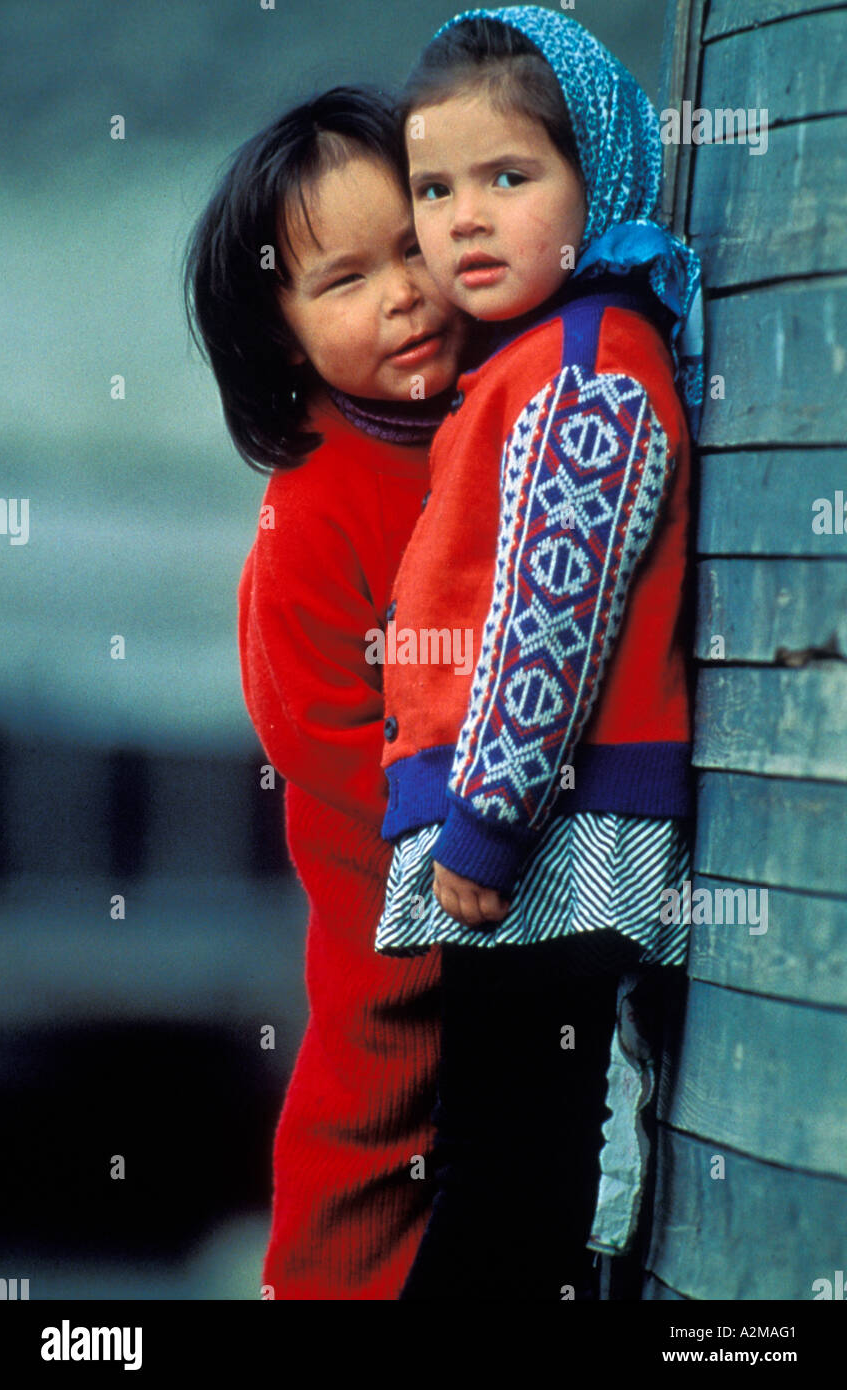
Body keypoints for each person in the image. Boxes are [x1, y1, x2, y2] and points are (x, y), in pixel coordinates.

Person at [372, 8, 704, 1300]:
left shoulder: (587, 368)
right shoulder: (528, 361)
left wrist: (487, 824)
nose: (464, 218)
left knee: (509, 1170)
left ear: (600, 177)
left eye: (511, 179)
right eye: (436, 188)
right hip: (521, 845)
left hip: (543, 845)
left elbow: (551, 629)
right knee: (512, 1152)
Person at [184, 86, 469, 1299]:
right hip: (390, 870)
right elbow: (319, 737)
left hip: (518, 829)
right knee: (376, 1097)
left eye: (415, 244)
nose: (401, 291)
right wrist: (453, 843)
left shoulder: (509, 402)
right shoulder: (308, 518)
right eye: (344, 280)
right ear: (282, 333)